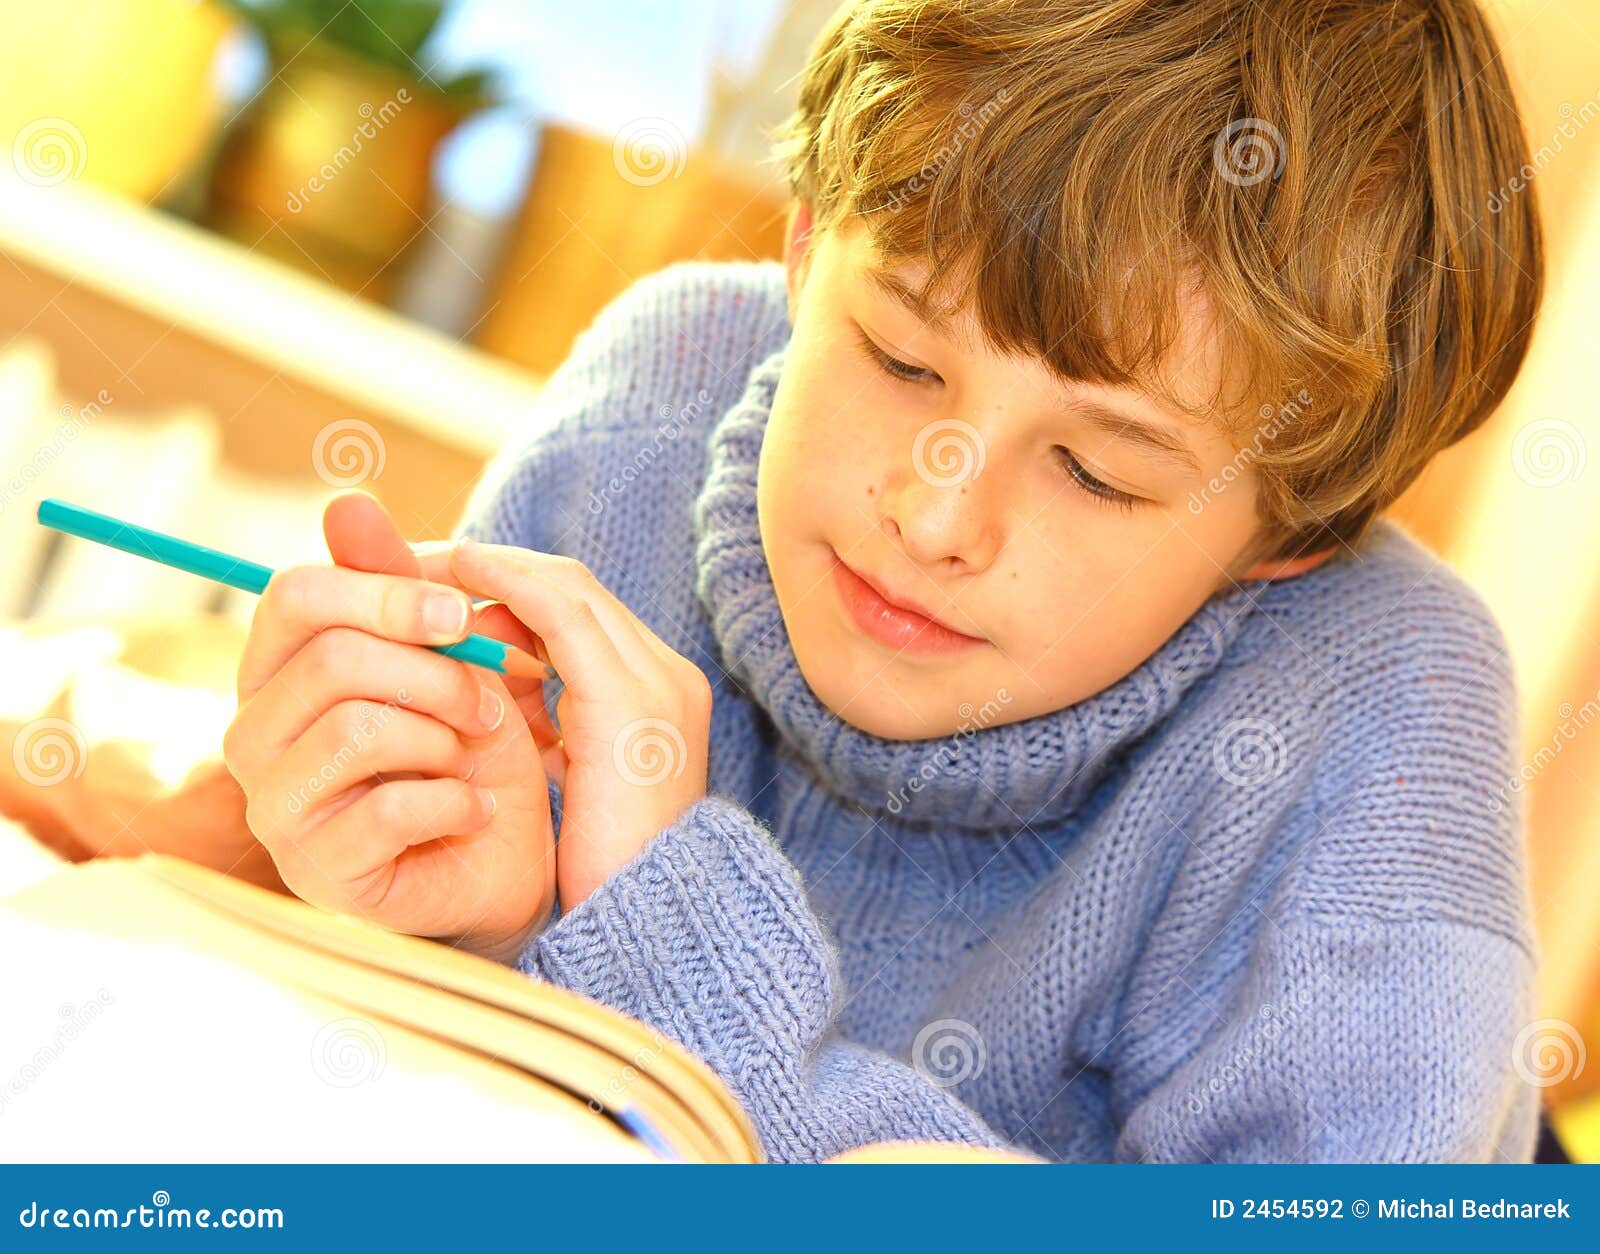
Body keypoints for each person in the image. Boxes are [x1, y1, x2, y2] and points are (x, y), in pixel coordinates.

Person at [218, 0, 1544, 1162]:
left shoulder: (1384, 729)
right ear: (803, 251)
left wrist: (668, 946)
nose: (934, 512)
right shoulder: (646, 422)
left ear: (1285, 534)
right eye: (903, 361)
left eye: (1095, 469)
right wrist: (453, 905)